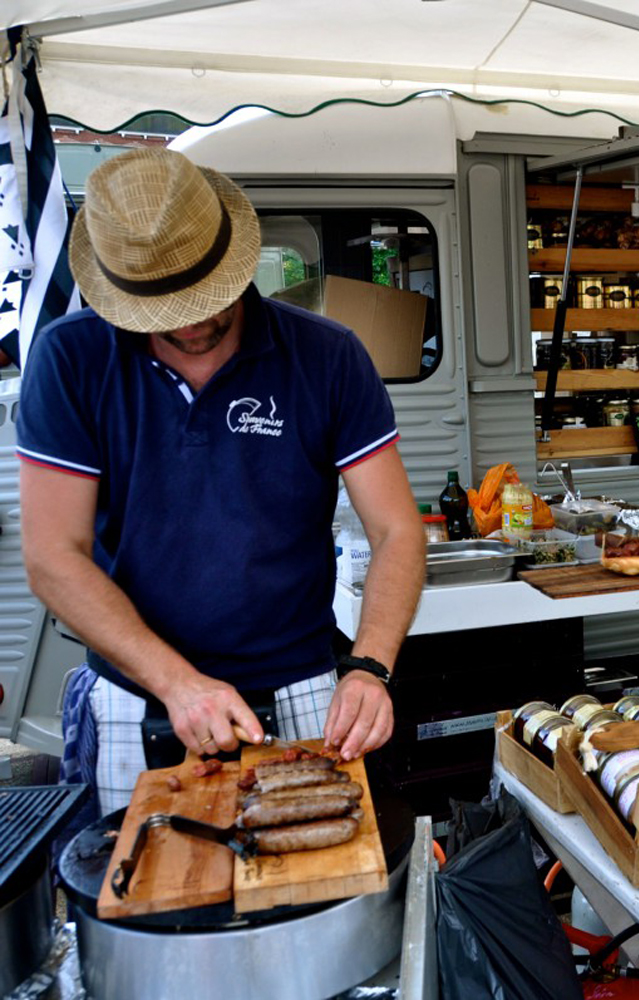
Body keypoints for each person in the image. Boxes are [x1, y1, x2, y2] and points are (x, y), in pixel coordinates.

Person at [16, 147, 426, 815]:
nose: (192, 324)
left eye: (206, 298)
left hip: (303, 688)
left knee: (314, 906)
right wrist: (179, 684)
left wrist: (371, 667)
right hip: (136, 692)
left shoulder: (328, 356)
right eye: (162, 311)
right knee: (141, 900)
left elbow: (397, 530)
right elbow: (53, 558)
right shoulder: (70, 360)